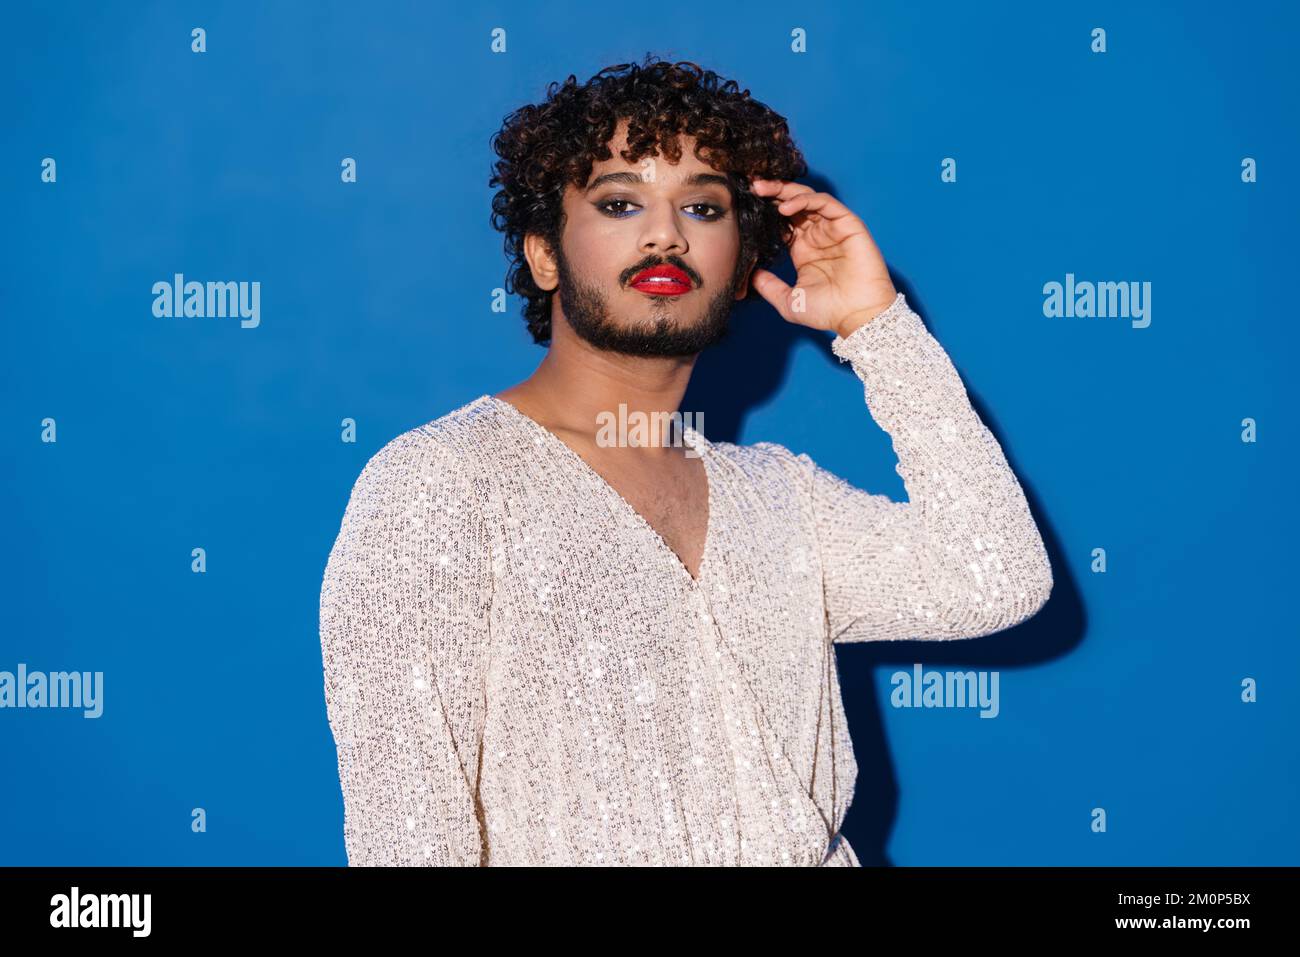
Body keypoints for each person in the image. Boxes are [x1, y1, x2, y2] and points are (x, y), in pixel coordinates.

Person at [318, 55, 1053, 866]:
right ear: (543, 256)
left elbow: (997, 578)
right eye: (621, 201)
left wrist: (875, 325)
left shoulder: (777, 496)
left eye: (702, 206)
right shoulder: (441, 487)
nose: (665, 232)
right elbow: (409, 844)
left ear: (741, 268)